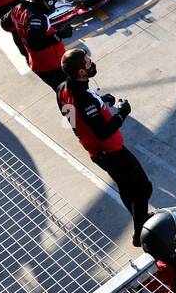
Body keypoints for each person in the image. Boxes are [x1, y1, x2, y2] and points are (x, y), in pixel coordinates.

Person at [58, 48, 152, 247]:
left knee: (126, 188)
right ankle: (140, 234)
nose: (91, 63)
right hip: (112, 153)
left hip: (97, 153)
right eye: (87, 62)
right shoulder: (85, 99)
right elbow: (103, 131)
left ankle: (140, 219)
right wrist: (122, 113)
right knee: (143, 188)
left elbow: (72, 119)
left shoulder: (62, 90)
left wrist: (102, 101)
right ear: (82, 72)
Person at [10, 0, 72, 89]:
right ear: (47, 0)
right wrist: (58, 35)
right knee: (69, 92)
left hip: (17, 2)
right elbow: (34, 43)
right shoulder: (38, 18)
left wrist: (20, 29)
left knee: (65, 91)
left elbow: (5, 24)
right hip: (52, 66)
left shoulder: (19, 9)